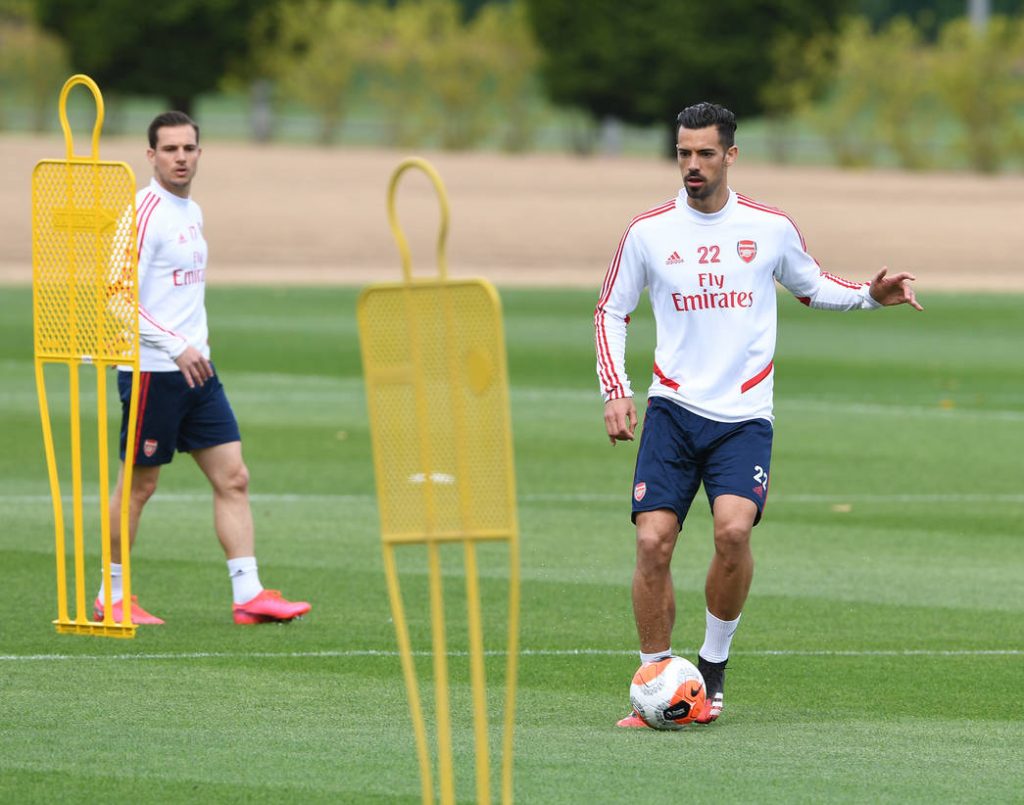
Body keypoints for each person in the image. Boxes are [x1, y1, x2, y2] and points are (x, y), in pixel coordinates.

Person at [595, 102, 921, 726]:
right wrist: (616, 389)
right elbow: (610, 309)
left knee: (733, 533)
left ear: (731, 155)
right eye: (684, 153)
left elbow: (811, 285)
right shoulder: (647, 231)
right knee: (653, 542)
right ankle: (657, 679)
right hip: (672, 409)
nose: (692, 164)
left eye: (705, 153)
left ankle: (712, 666)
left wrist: (869, 296)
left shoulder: (769, 228)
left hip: (744, 416)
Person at [95, 111, 311, 626]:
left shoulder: (192, 212)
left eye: (188, 148)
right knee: (139, 487)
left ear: (199, 153)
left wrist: (195, 350)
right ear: (151, 156)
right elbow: (116, 297)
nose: (181, 158)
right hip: (154, 372)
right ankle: (111, 597)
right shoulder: (143, 213)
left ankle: (249, 595)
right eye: (170, 149)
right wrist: (175, 346)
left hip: (198, 372)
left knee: (234, 477)